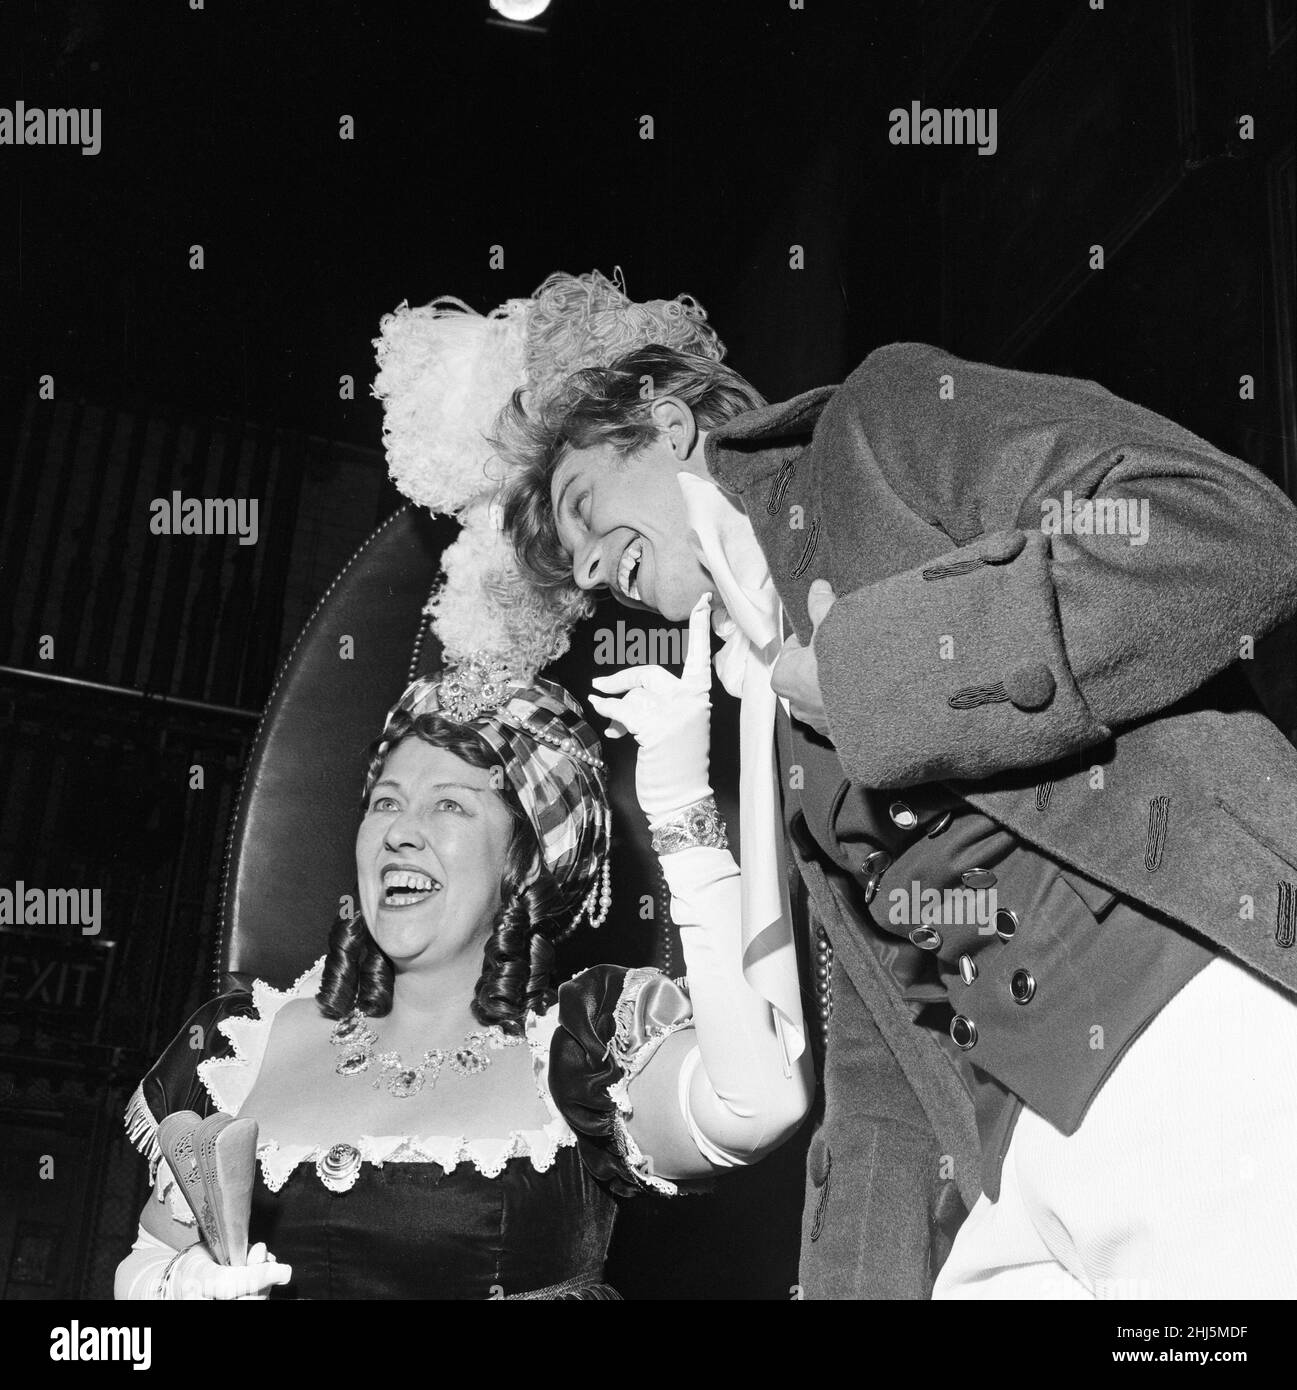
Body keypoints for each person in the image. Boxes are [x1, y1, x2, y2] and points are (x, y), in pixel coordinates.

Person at [495, 339, 1297, 1299]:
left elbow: (1223, 531)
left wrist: (878, 676)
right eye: (575, 564)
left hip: (1190, 1023)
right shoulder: (762, 694)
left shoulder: (882, 419)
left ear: (669, 425)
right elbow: (887, 1038)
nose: (587, 565)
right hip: (1018, 1156)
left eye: (584, 508)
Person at [115, 646, 812, 1299]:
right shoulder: (241, 1042)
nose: (399, 829)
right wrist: (178, 1284)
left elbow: (761, 1105)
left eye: (448, 804)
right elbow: (144, 1260)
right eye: (385, 800)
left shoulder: (585, 1049)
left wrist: (681, 807)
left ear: (530, 857)